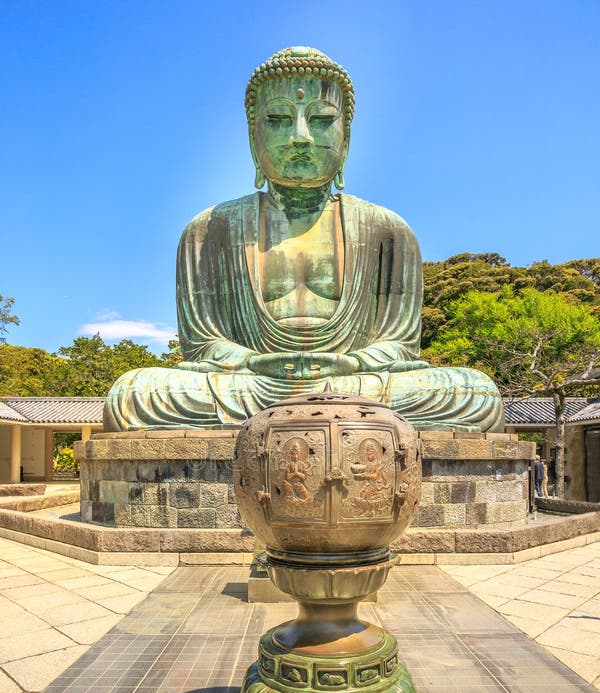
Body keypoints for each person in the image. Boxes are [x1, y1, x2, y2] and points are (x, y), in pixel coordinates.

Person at [104, 47, 505, 433]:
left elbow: (398, 346)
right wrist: (257, 363)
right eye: (278, 118)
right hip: (251, 384)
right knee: (134, 394)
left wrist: (348, 366)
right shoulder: (209, 230)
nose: (299, 136)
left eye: (320, 120)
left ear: (345, 139)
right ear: (252, 135)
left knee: (474, 393)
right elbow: (204, 344)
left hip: (355, 385)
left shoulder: (388, 230)